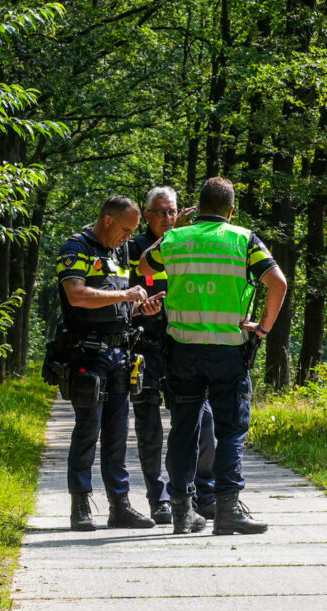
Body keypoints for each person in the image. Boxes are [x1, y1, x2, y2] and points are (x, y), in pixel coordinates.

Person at [138, 177, 287, 535]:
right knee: (230, 430)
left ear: (197, 207)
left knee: (184, 430)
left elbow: (144, 266)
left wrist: (174, 233)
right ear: (230, 210)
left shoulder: (175, 238)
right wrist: (263, 328)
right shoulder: (243, 239)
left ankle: (180, 512)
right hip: (228, 352)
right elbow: (277, 283)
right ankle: (227, 509)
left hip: (183, 350)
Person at [55, 195, 164, 531]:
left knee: (118, 435)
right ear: (107, 220)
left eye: (132, 231)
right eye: (125, 229)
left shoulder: (120, 252)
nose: (128, 237)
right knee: (87, 430)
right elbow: (76, 294)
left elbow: (118, 304)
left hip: (120, 354)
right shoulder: (77, 247)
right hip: (88, 355)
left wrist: (139, 307)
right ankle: (80, 506)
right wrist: (125, 295)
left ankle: (120, 505)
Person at [127, 186, 218, 524]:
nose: (168, 218)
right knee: (149, 426)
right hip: (144, 346)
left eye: (172, 212)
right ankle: (159, 497)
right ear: (146, 215)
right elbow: (137, 272)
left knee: (202, 422)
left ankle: (202, 496)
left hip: (182, 345)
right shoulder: (135, 246)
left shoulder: (188, 245)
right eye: (161, 212)